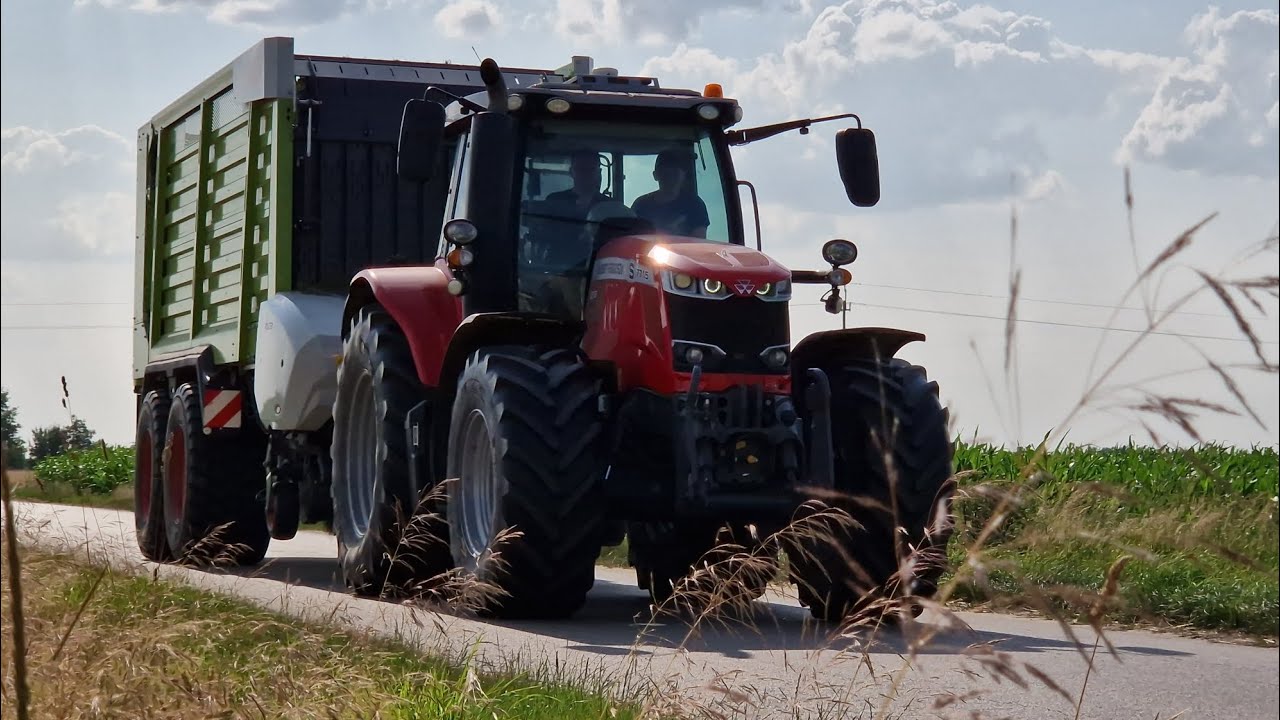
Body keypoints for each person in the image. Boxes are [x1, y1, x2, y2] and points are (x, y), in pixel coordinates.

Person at [632, 148, 709, 238]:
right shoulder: (640, 205)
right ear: (656, 175)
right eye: (666, 173)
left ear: (683, 175)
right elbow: (632, 238)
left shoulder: (695, 204)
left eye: (675, 172)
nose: (671, 177)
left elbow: (698, 243)